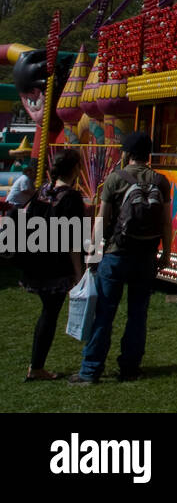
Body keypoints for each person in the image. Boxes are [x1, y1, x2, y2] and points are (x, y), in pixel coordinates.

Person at [68, 131, 172, 384]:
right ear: (148, 154)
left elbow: (101, 220)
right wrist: (166, 253)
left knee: (104, 313)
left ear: (126, 154)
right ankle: (130, 368)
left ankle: (90, 370)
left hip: (116, 255)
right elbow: (166, 222)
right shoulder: (161, 181)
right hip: (146, 255)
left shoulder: (115, 179)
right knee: (138, 314)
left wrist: (92, 253)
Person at [20, 151, 88, 381]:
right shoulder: (71, 199)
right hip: (56, 265)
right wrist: (79, 273)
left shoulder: (42, 192)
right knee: (49, 314)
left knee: (47, 313)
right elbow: (73, 240)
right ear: (76, 169)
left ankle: (36, 365)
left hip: (35, 259)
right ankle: (36, 366)